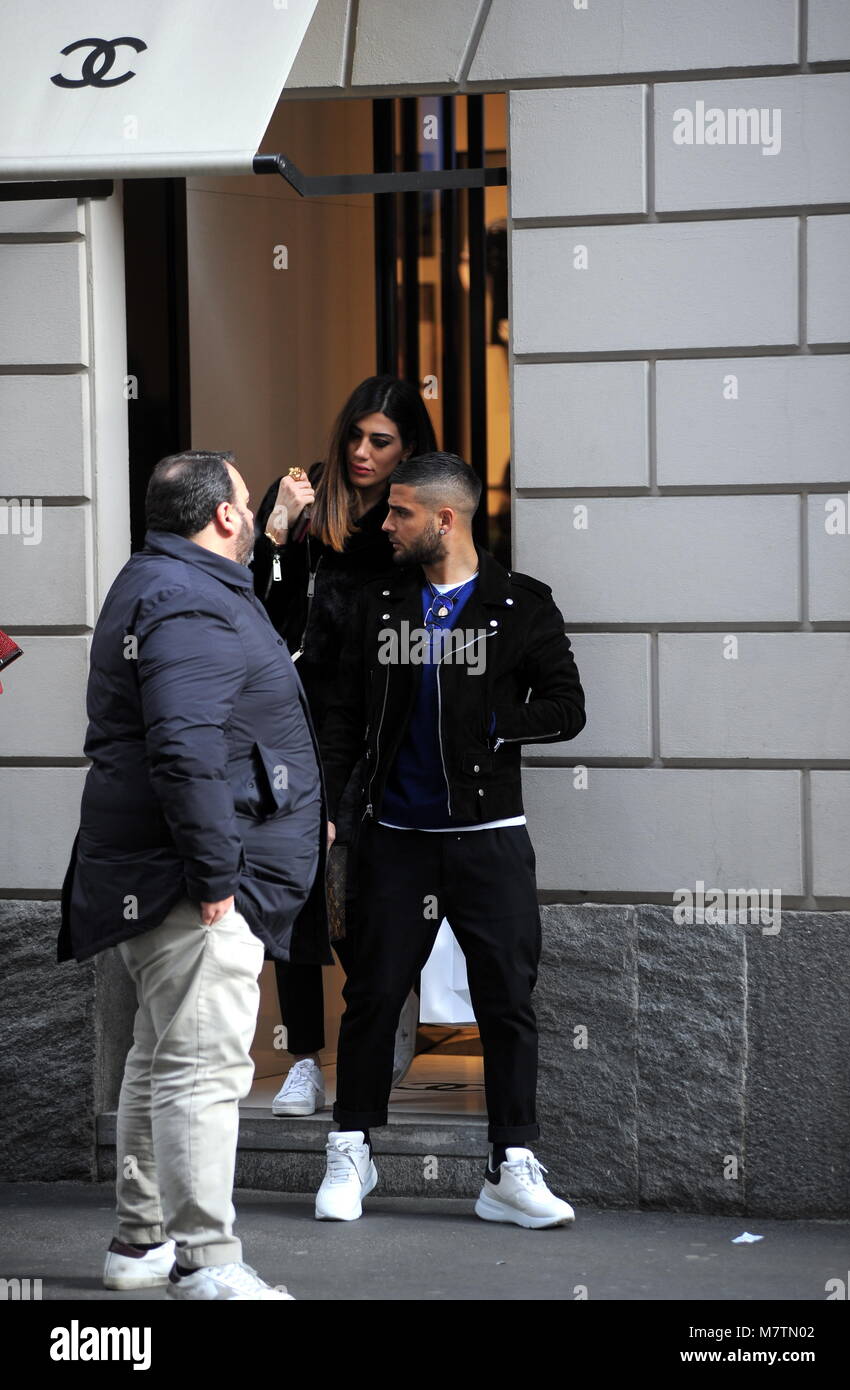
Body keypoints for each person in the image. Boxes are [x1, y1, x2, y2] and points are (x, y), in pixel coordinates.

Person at [58, 450, 331, 1300]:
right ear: (221, 517)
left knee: (159, 1058)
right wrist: (216, 875)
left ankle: (139, 1244)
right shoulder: (187, 596)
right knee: (203, 1070)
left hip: (165, 871)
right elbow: (183, 746)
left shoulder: (166, 583)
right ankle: (206, 1261)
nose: (253, 516)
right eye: (247, 504)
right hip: (196, 880)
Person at [314, 451, 587, 1227]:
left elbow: (567, 706)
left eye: (399, 511)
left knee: (506, 999)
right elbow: (342, 716)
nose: (385, 522)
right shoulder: (380, 605)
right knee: (370, 996)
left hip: (489, 836)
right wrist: (336, 805)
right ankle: (352, 1147)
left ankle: (510, 1165)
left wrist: (492, 723)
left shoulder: (520, 604)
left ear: (444, 519)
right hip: (395, 836)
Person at [252, 376, 437, 1118]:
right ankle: (303, 1057)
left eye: (381, 441)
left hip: (378, 723)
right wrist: (278, 529)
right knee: (295, 882)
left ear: (409, 449)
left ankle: (379, 1014)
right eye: (355, 436)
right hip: (293, 716)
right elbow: (252, 608)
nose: (362, 453)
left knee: (361, 882)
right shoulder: (304, 494)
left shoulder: (412, 514)